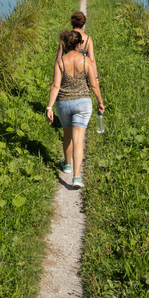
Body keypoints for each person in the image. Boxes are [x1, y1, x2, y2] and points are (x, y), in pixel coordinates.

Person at [46, 29, 104, 188]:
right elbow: (93, 85)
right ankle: (77, 178)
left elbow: (55, 85)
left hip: (63, 103)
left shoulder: (60, 61)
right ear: (79, 45)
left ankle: (67, 165)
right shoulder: (86, 62)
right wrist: (100, 101)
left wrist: (49, 107)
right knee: (79, 139)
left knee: (67, 134)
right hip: (83, 103)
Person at [55, 11, 100, 86]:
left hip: (67, 72)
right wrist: (96, 78)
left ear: (72, 22)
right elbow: (92, 60)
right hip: (83, 73)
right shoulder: (88, 39)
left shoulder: (65, 38)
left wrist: (56, 78)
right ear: (83, 24)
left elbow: (59, 58)